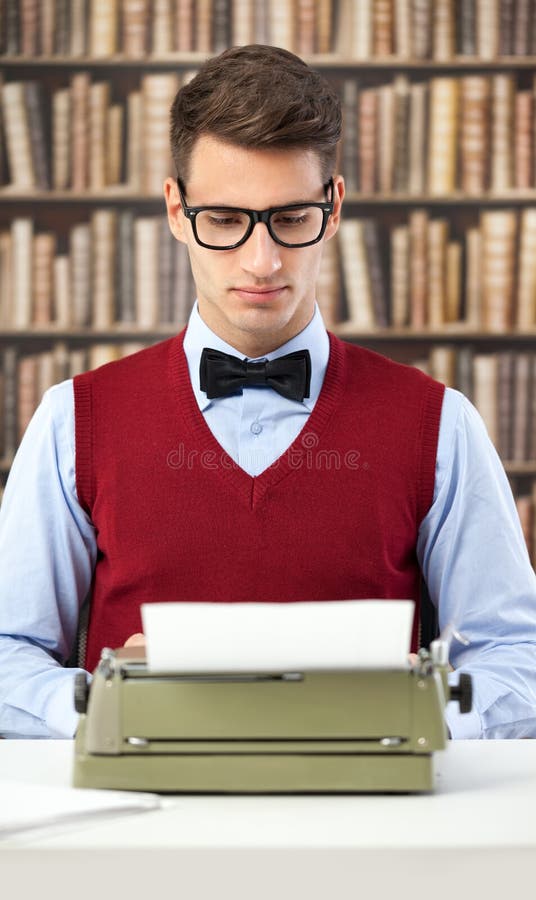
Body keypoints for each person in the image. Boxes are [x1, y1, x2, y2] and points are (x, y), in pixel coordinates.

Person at [0, 45, 535, 741]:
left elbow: (515, 656)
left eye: (290, 219)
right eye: (224, 221)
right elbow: (8, 651)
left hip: (374, 829)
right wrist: (112, 704)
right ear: (175, 209)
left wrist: (417, 708)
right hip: (135, 831)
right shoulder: (74, 421)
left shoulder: (441, 424)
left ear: (333, 207)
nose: (262, 261)